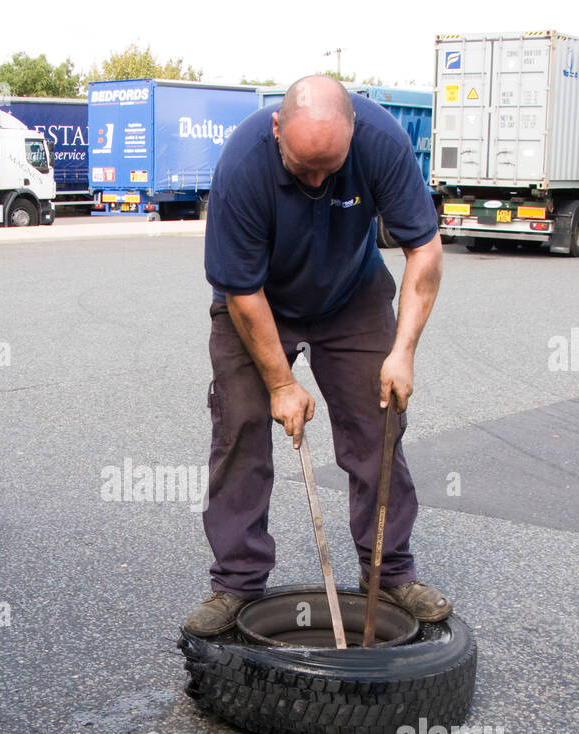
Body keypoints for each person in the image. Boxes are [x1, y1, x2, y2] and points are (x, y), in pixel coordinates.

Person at [183, 74, 450, 638]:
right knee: (241, 428)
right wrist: (281, 385)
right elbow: (241, 292)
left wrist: (403, 353)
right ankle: (236, 583)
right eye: (303, 167)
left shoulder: (383, 142)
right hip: (258, 303)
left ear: (354, 132)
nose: (318, 179)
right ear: (277, 129)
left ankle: (391, 572)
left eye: (330, 167)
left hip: (350, 296)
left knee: (378, 425)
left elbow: (424, 249)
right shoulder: (243, 165)